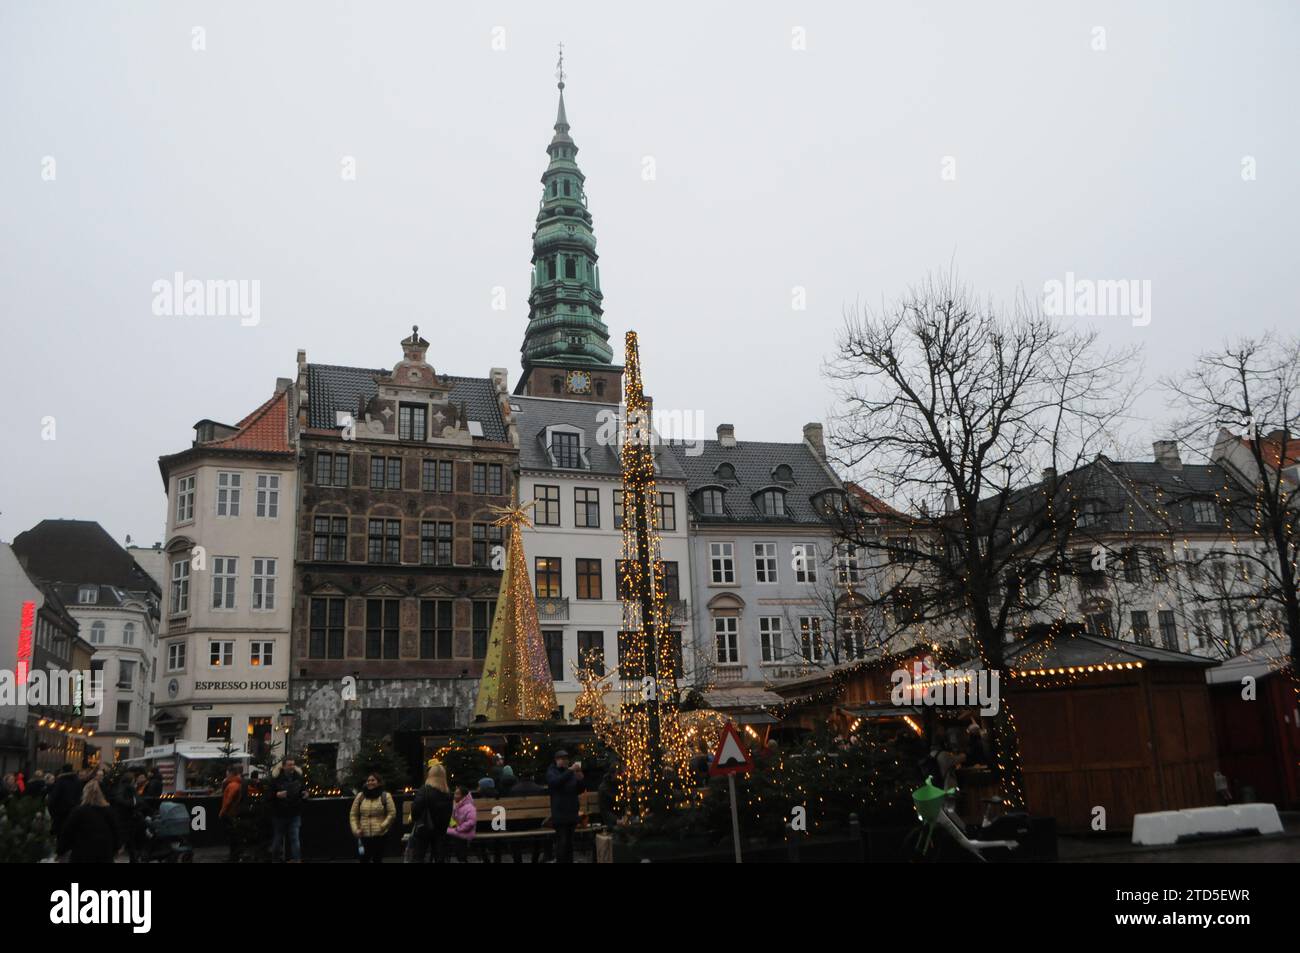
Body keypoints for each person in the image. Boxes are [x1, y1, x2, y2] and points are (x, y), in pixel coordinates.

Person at [57, 779, 120, 863]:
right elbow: (115, 831)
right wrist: (116, 848)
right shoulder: (108, 811)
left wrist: (61, 850)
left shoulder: (78, 811)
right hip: (104, 852)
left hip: (82, 853)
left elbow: (67, 832)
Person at [546, 749, 585, 863]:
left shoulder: (570, 772)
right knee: (562, 843)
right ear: (556, 760)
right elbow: (556, 783)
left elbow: (579, 790)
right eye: (562, 759)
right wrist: (570, 771)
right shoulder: (552, 772)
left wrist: (580, 779)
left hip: (572, 812)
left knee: (570, 844)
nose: (564, 761)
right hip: (560, 813)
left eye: (566, 759)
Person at [408, 763, 453, 863]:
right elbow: (449, 814)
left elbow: (415, 809)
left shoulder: (425, 790)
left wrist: (415, 819)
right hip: (440, 830)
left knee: (418, 857)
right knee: (439, 857)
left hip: (424, 829)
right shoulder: (447, 793)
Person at [266, 757, 307, 862]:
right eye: (289, 765)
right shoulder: (276, 779)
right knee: (278, 838)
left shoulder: (298, 777)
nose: (292, 767)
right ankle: (275, 859)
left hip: (294, 812)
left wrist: (305, 794)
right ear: (283, 766)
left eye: (293, 764)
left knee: (295, 838)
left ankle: (297, 860)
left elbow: (303, 790)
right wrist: (277, 795)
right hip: (280, 814)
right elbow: (268, 795)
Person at [350, 773, 397, 864]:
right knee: (363, 859)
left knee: (377, 859)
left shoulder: (385, 796)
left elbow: (392, 813)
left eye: (373, 780)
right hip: (363, 835)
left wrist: (382, 826)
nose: (370, 782)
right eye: (368, 780)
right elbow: (353, 815)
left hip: (380, 835)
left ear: (378, 782)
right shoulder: (360, 796)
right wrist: (355, 830)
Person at [111, 768, 144, 862]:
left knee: (128, 842)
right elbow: (124, 800)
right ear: (131, 780)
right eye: (133, 779)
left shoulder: (122, 787)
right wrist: (132, 803)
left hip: (124, 818)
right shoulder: (127, 788)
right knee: (127, 841)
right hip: (126, 819)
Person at [46, 764, 84, 838]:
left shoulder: (60, 782)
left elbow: (53, 799)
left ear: (63, 771)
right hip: (74, 813)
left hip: (61, 815)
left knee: (61, 836)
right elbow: (80, 796)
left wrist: (53, 814)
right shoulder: (78, 782)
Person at [218, 766, 245, 862]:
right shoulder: (238, 783)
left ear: (230, 773)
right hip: (233, 813)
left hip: (230, 813)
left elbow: (228, 800)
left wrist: (222, 812)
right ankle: (235, 856)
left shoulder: (232, 785)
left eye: (227, 772)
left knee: (232, 837)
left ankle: (234, 857)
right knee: (234, 836)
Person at [446, 785, 477, 862]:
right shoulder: (456, 806)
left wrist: (458, 828)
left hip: (466, 832)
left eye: (457, 794)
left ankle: (462, 859)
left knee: (458, 842)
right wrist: (453, 825)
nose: (455, 796)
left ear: (464, 796)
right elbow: (452, 820)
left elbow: (471, 822)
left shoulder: (469, 807)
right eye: (455, 793)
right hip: (458, 830)